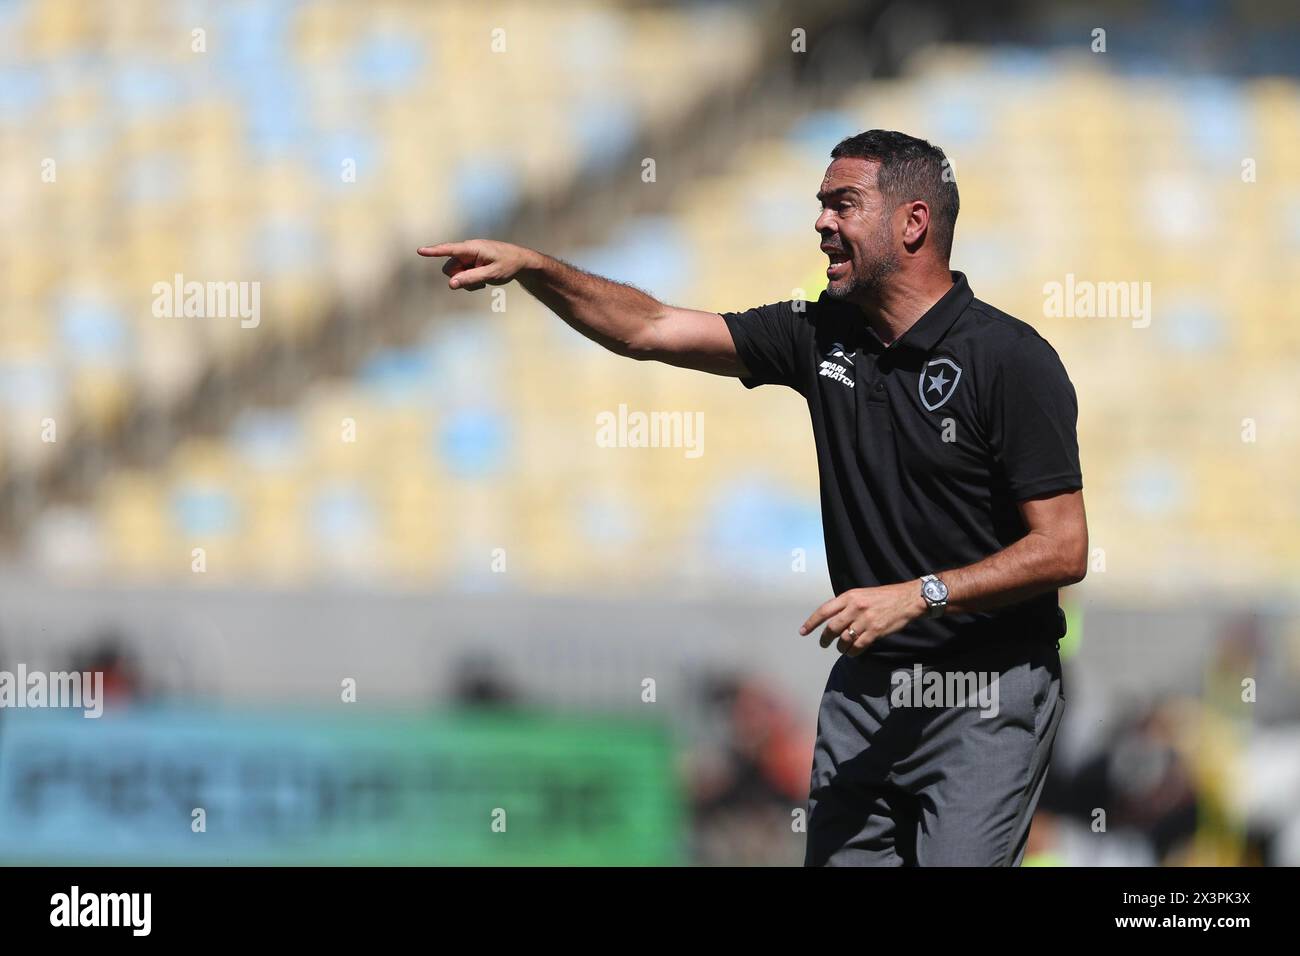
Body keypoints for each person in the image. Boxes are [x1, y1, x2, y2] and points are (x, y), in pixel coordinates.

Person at [418, 129, 1088, 866]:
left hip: (983, 691)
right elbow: (650, 327)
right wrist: (534, 268)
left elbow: (1063, 548)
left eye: (843, 204)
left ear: (913, 223)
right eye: (819, 205)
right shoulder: (821, 334)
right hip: (867, 690)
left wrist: (920, 594)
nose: (821, 222)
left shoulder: (1010, 360)